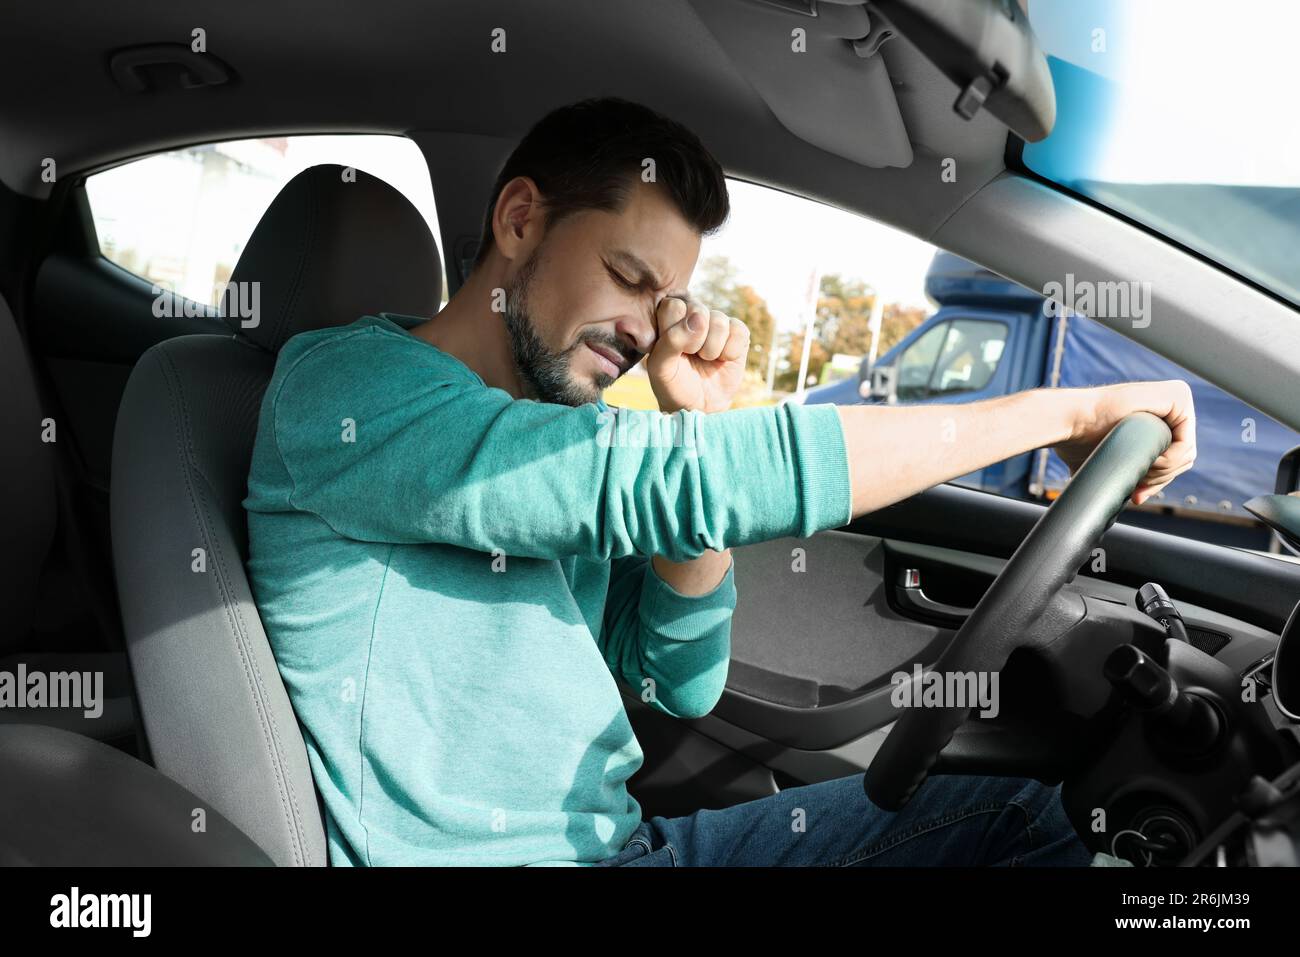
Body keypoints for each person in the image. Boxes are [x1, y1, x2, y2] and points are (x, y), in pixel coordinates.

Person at [243, 97, 1195, 866]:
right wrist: (1069, 413)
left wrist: (695, 427)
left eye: (666, 302)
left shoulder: (558, 433)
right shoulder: (352, 392)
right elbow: (674, 483)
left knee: (1022, 819)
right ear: (521, 219)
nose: (645, 329)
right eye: (626, 275)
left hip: (626, 843)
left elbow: (680, 679)